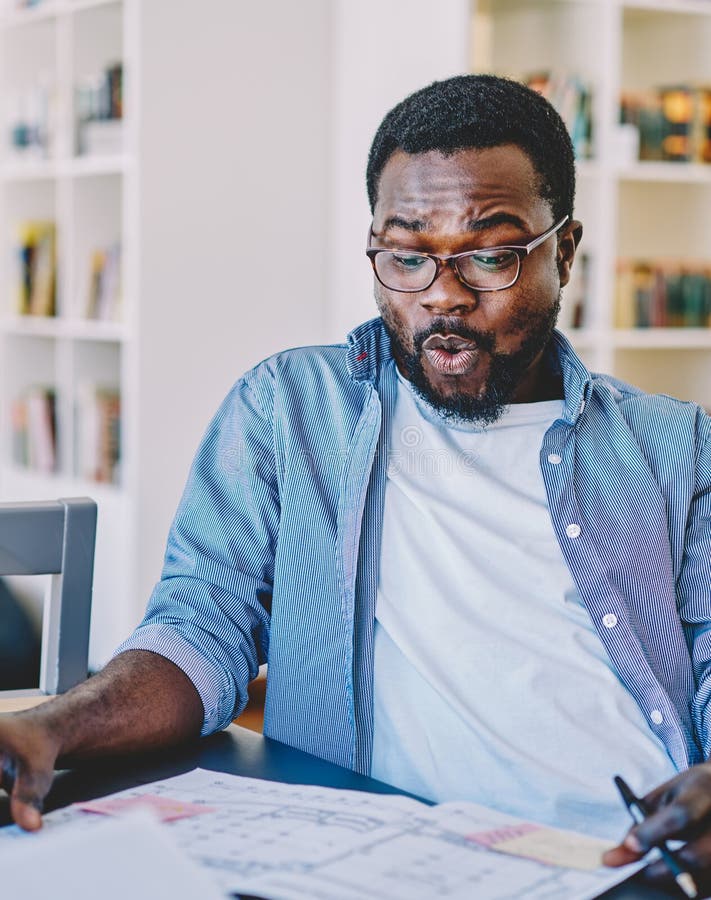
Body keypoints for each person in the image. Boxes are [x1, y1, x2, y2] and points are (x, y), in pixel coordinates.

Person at [1, 74, 710, 891]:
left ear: (566, 251)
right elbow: (201, 632)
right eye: (406, 255)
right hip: (379, 856)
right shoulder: (291, 411)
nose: (443, 294)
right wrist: (50, 727)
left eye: (490, 253)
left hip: (617, 864)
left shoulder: (673, 447)